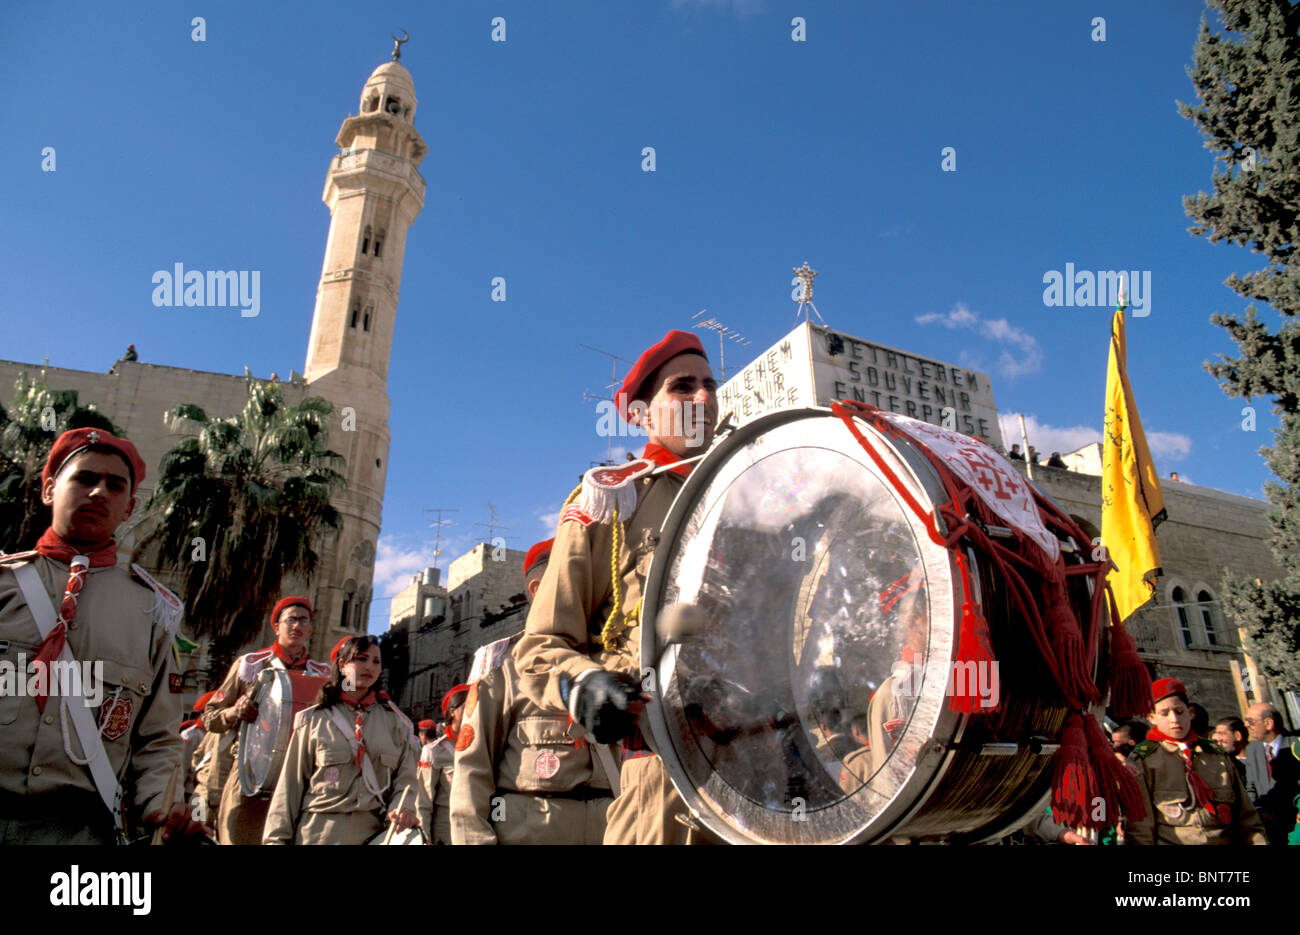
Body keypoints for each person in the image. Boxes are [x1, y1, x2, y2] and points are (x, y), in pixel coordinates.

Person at [514, 329, 718, 845]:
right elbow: (540, 647)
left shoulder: (746, 494)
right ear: (643, 413)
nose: (704, 398)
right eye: (683, 387)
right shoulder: (612, 498)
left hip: (764, 771)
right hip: (663, 780)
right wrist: (583, 682)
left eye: (710, 385)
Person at [0, 427, 189, 844]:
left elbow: (158, 736)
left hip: (78, 833)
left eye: (114, 485)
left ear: (129, 507)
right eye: (85, 479)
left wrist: (159, 801)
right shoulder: (5, 584)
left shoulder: (154, 613)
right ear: (49, 490)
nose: (99, 492)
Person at [451, 539, 615, 844]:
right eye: (581, 579)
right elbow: (471, 774)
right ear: (540, 590)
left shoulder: (615, 661)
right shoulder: (501, 667)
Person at [264, 635, 420, 844]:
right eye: (361, 658)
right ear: (342, 664)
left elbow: (406, 779)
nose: (369, 667)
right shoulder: (314, 720)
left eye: (376, 661)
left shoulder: (396, 723)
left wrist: (402, 808)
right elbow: (290, 787)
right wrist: (275, 840)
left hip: (373, 835)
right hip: (318, 834)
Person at [201, 596, 330, 844]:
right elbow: (210, 716)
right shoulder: (250, 666)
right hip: (250, 778)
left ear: (311, 629)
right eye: (290, 619)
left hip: (299, 785)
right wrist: (234, 712)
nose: (297, 626)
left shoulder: (322, 676)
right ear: (276, 626)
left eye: (304, 620)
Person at [1127, 678, 1266, 845]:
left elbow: (1247, 817)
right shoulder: (1144, 759)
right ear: (1152, 718)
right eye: (1164, 713)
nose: (1174, 720)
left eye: (1179, 711)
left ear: (1190, 712)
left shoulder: (1216, 756)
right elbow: (1140, 827)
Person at [418, 684, 469, 844]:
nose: (473, 710)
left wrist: (499, 823)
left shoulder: (484, 748)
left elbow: (497, 797)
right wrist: (424, 837)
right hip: (446, 831)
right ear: (452, 711)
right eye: (467, 705)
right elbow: (423, 801)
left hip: (478, 829)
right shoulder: (434, 751)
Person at [1244, 702, 1300, 844]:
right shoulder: (1252, 749)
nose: (1246, 725)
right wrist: (1258, 812)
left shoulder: (1295, 745)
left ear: (1268, 723)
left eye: (1250, 721)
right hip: (1267, 825)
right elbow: (1251, 786)